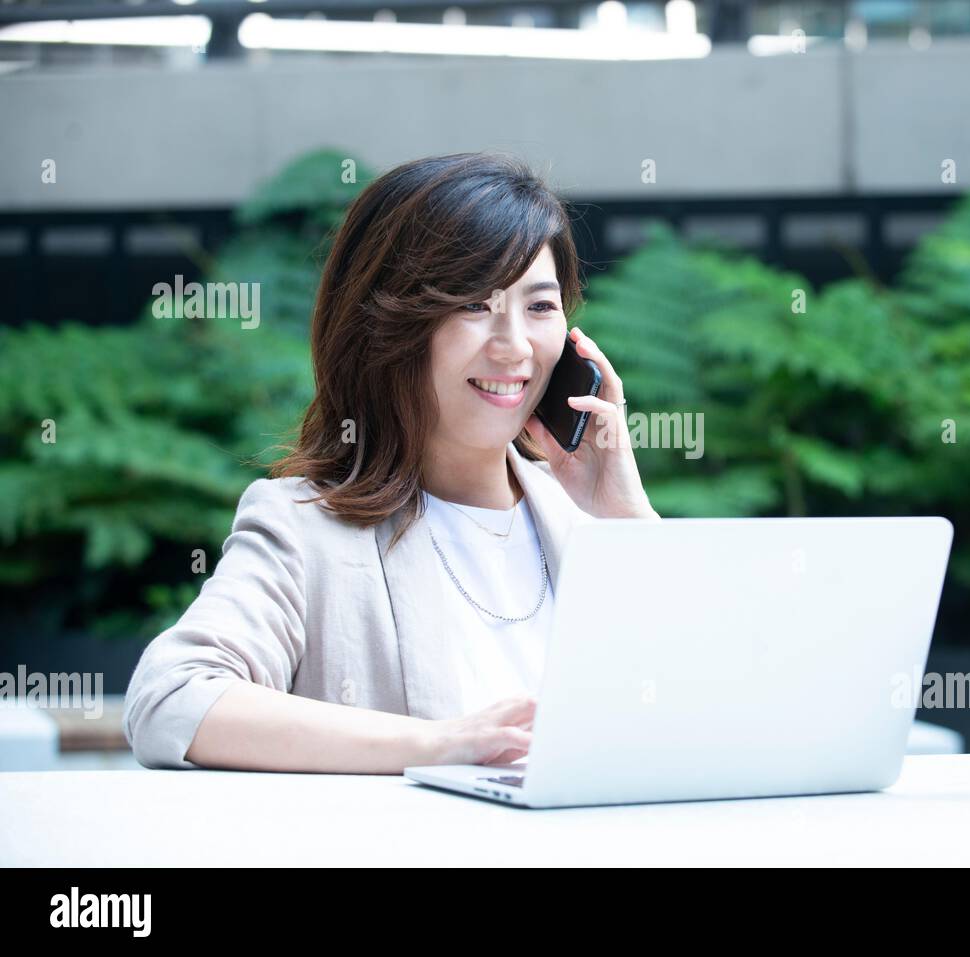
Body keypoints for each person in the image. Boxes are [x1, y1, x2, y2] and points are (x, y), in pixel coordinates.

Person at [122, 152, 658, 773]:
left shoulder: (595, 525)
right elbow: (171, 699)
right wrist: (438, 746)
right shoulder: (305, 529)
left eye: (539, 307)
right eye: (473, 305)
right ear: (388, 327)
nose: (513, 347)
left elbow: (709, 706)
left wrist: (626, 517)